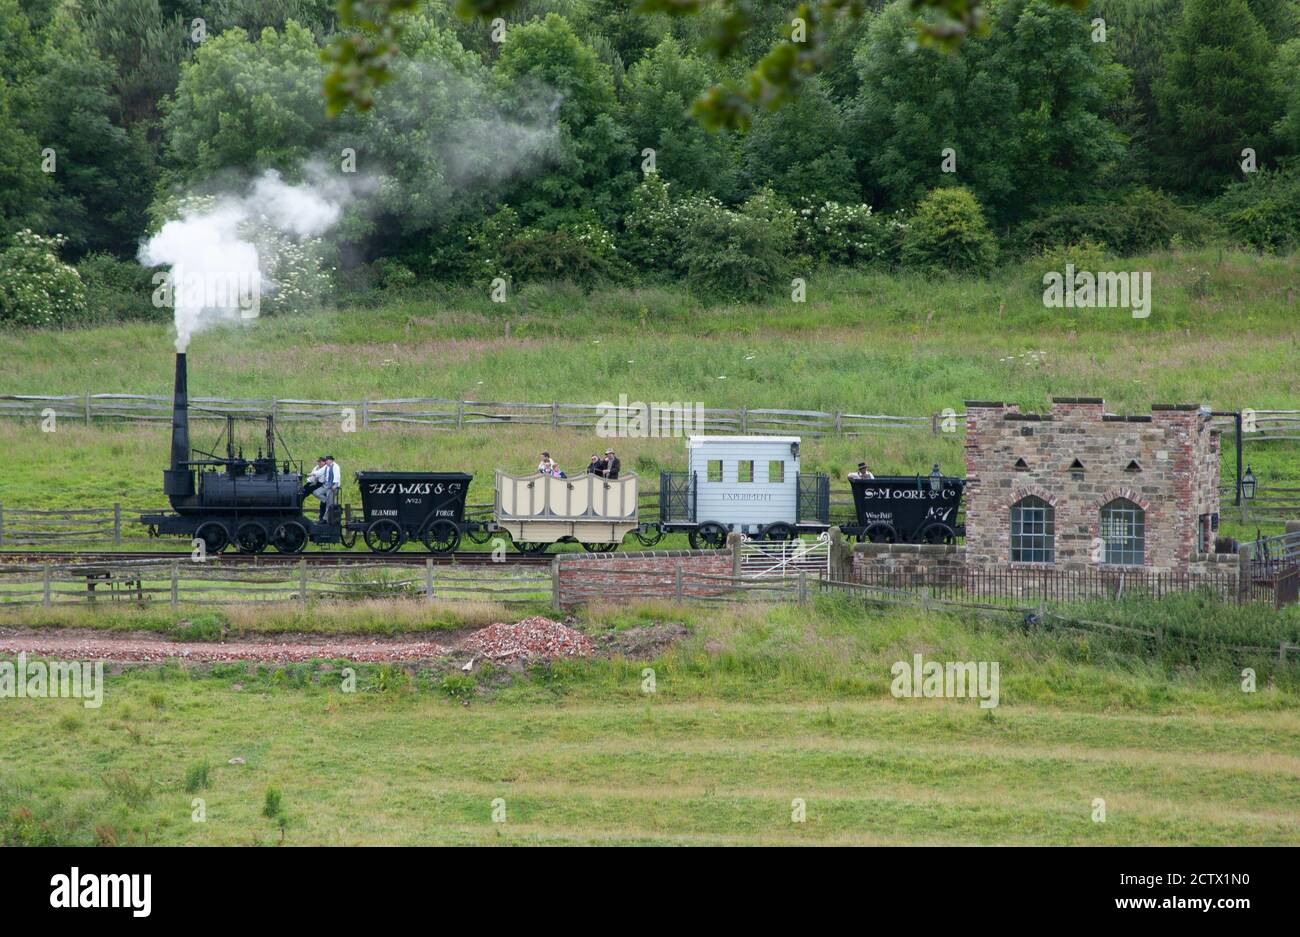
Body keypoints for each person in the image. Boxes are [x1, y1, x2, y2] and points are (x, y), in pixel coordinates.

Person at [320, 454, 342, 520]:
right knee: (328, 502)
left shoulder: (336, 467)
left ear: (331, 460)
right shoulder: (328, 466)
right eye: (326, 460)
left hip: (333, 487)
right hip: (328, 486)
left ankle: (325, 518)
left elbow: (337, 476)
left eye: (327, 460)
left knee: (329, 504)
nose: (326, 461)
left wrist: (335, 485)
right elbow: (320, 472)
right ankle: (327, 518)